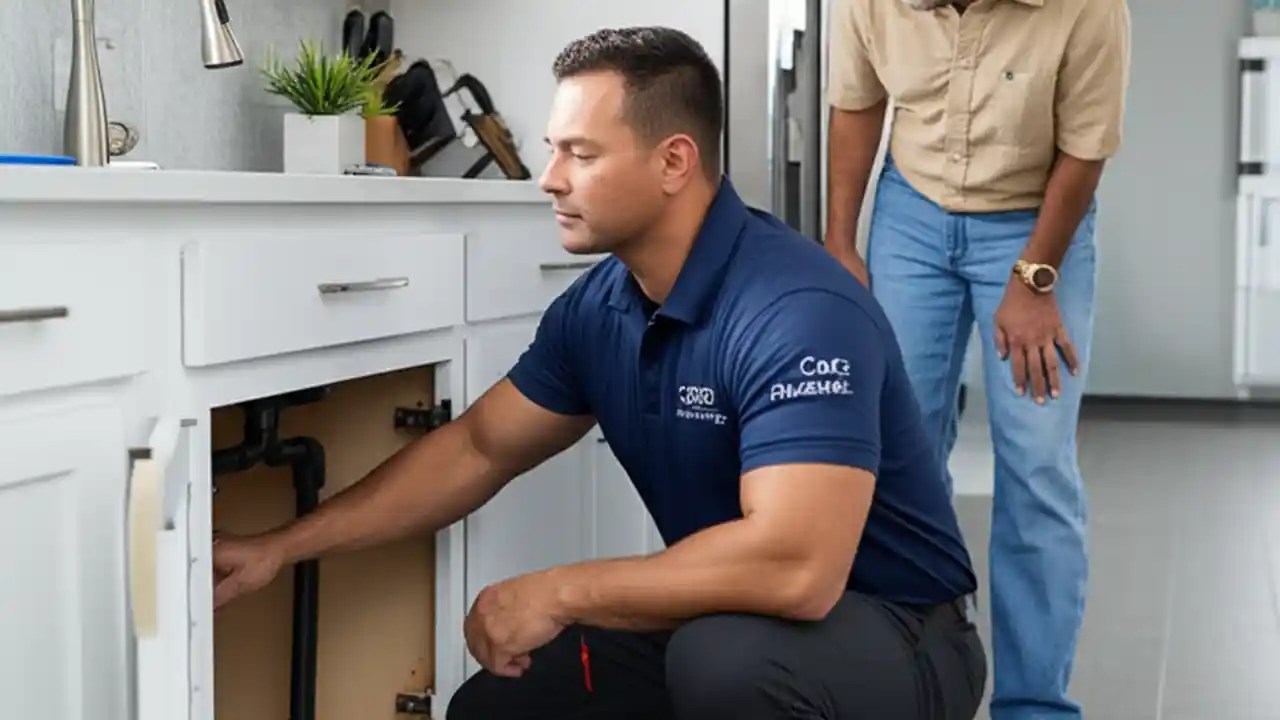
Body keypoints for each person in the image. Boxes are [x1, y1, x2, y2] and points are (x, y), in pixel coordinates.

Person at [212, 26, 986, 719]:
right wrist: (282, 546)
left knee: (724, 667)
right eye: (555, 150)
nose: (550, 177)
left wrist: (559, 592)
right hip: (729, 619)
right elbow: (476, 449)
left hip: (897, 632)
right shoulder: (600, 308)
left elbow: (798, 570)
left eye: (580, 154)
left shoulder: (796, 309)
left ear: (674, 161)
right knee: (498, 708)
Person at [823, 0, 1131, 718]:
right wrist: (840, 241)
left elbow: (1085, 149)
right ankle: (920, 675)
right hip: (911, 210)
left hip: (1036, 215)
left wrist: (1035, 279)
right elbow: (857, 104)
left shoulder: (1089, 8)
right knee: (896, 455)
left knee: (1037, 464)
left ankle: (1033, 705)